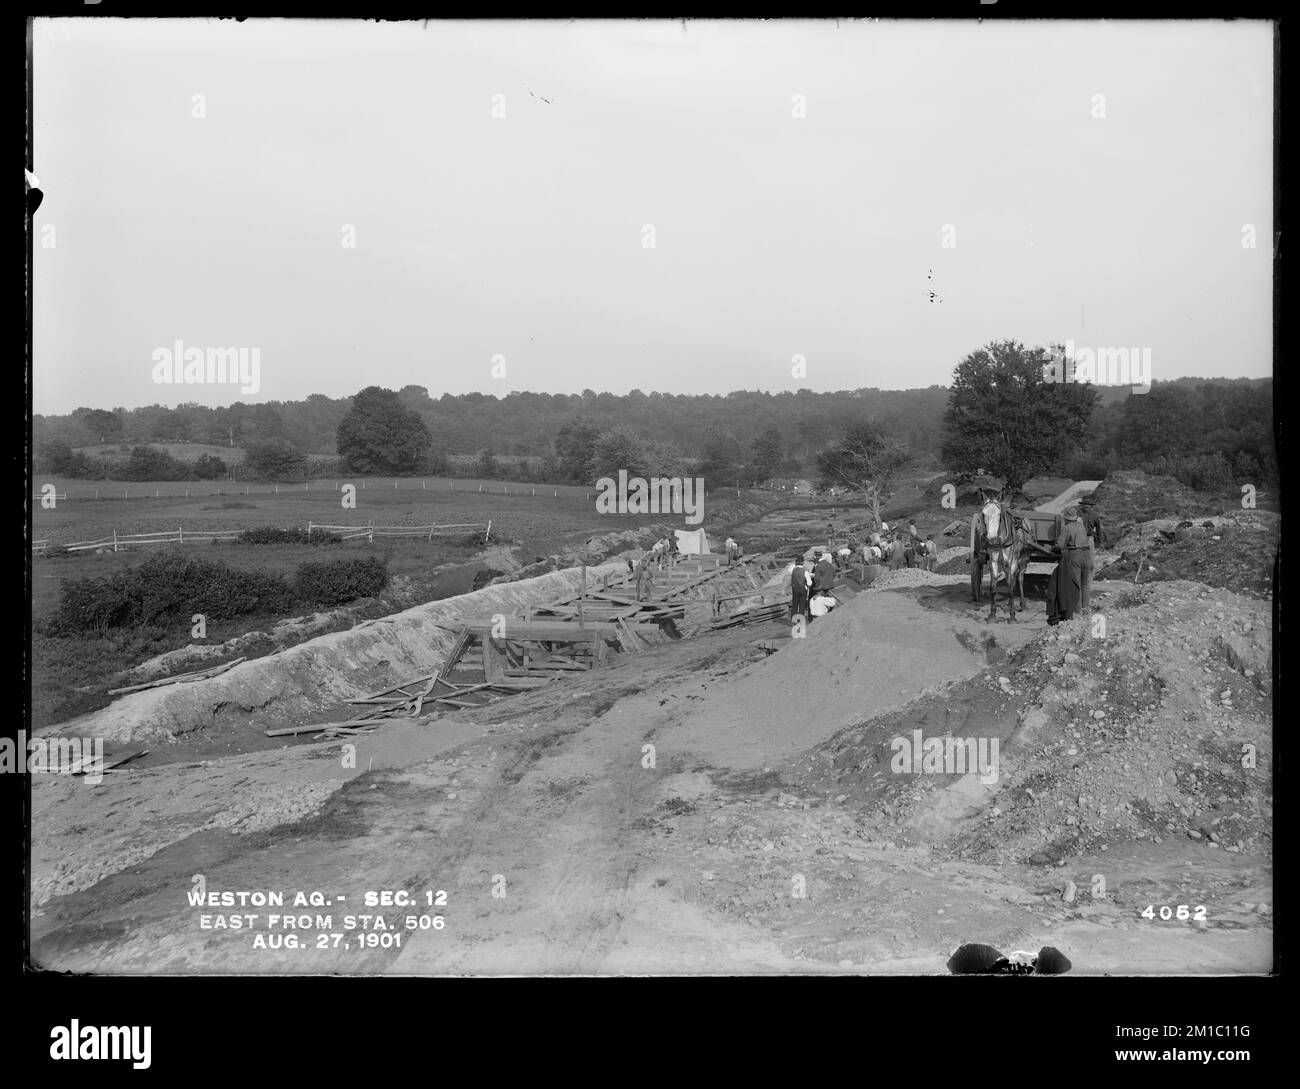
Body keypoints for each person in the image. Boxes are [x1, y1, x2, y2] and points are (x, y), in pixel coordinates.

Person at [1046, 505, 1088, 623]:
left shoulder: (1067, 528)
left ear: (1066, 519)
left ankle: (1076, 611)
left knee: (1075, 584)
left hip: (1074, 555)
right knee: (1085, 583)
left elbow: (1059, 545)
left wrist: (1052, 547)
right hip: (1086, 555)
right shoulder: (1081, 526)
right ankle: (1086, 608)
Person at [788, 558, 812, 623]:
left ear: (796, 563)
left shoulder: (793, 571)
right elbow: (809, 583)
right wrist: (807, 585)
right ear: (803, 563)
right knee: (802, 605)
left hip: (795, 589)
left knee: (794, 605)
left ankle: (793, 620)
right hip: (803, 589)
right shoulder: (805, 571)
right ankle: (800, 620)